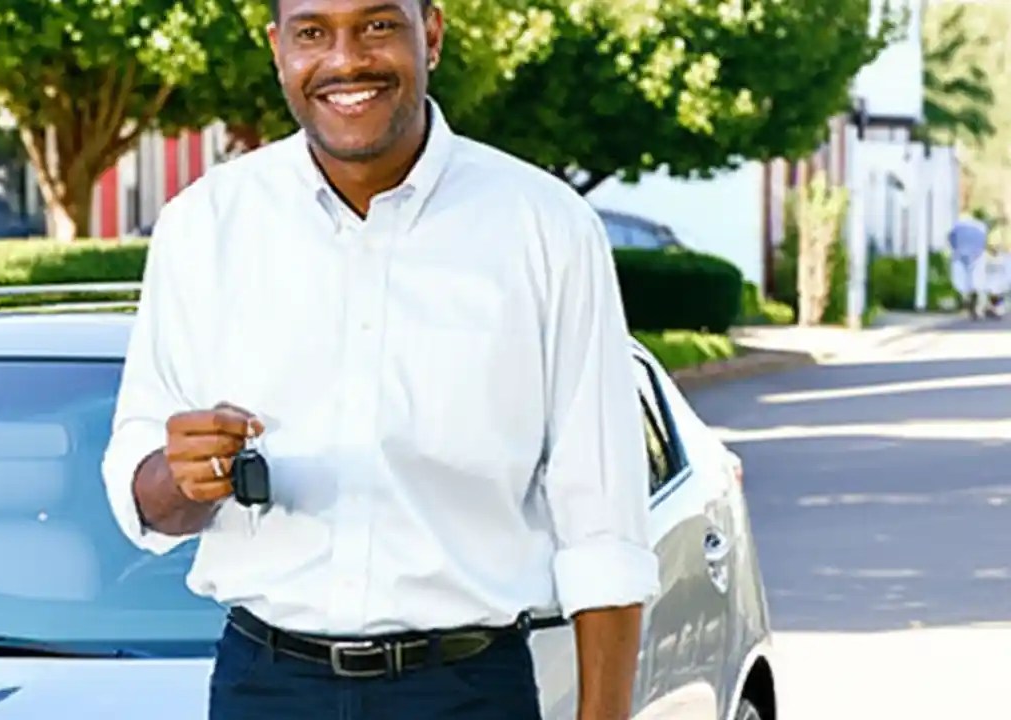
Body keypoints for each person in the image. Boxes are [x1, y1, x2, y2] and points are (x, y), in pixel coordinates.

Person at [101, 0, 658, 716]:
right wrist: (182, 476)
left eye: (377, 25)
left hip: (468, 691)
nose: (345, 60)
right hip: (266, 687)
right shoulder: (202, 228)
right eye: (312, 33)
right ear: (279, 49)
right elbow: (148, 494)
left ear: (431, 32)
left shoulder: (547, 230)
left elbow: (603, 523)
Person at [948, 214, 990, 319]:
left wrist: (955, 250)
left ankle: (966, 300)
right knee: (975, 280)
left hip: (960, 254)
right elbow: (983, 242)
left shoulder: (957, 226)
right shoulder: (980, 227)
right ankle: (972, 298)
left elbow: (951, 239)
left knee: (962, 281)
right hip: (976, 255)